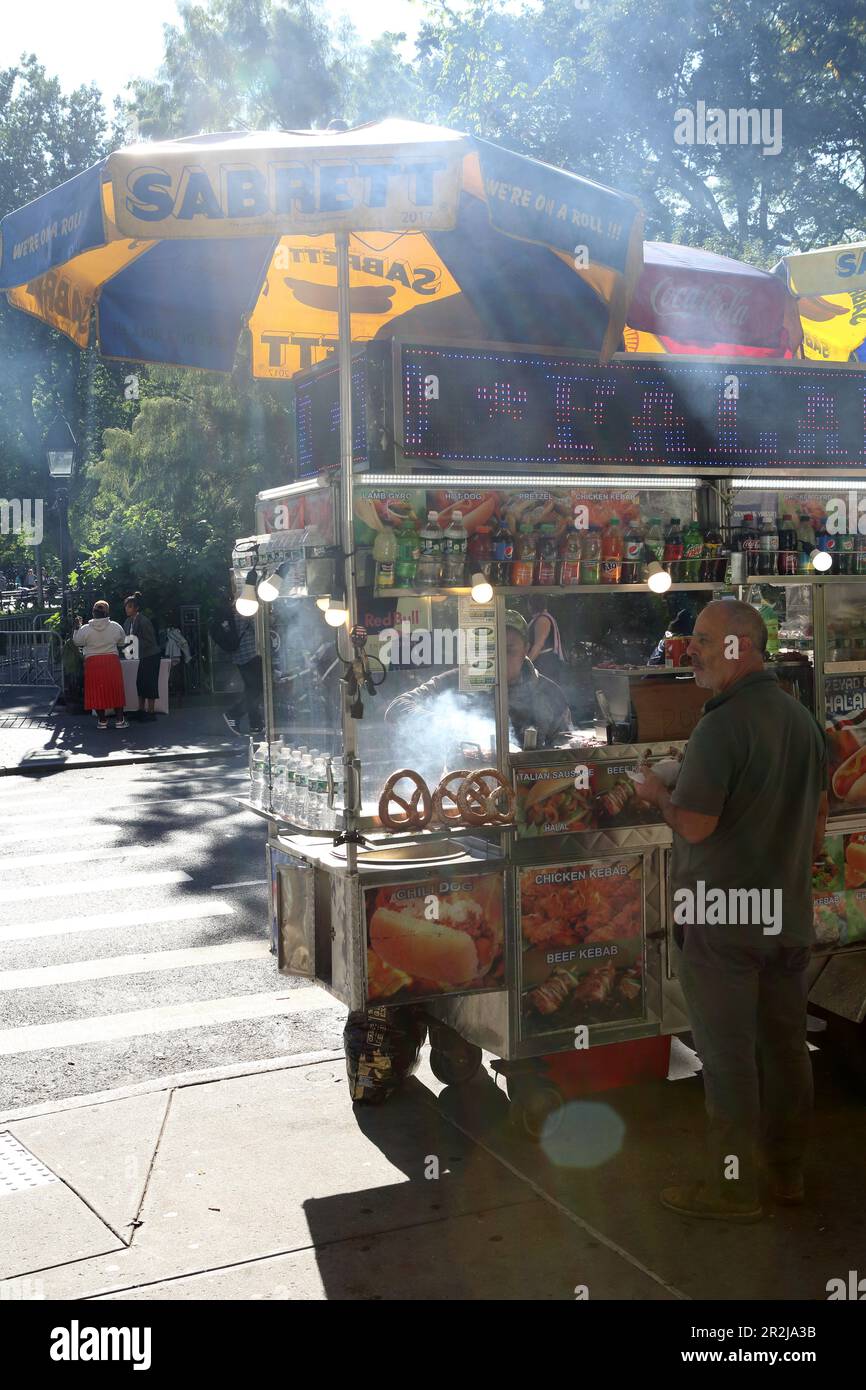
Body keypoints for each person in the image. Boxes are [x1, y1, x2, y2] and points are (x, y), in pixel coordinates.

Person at [634, 600, 827, 1223]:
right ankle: (787, 1173)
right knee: (786, 1048)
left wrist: (656, 792)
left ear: (744, 645)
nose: (693, 651)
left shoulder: (722, 725)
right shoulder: (802, 720)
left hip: (723, 920)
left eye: (706, 641)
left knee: (728, 1060)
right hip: (786, 917)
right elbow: (817, 823)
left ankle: (733, 1189)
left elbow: (693, 824)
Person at [384, 609, 572, 748]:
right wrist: (444, 723)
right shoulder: (459, 680)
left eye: (509, 650)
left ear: (526, 650)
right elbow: (398, 707)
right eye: (490, 649)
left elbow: (567, 748)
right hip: (465, 790)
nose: (498, 658)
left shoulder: (549, 693)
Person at [73, 601, 129, 730]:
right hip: (111, 661)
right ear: (107, 612)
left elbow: (77, 642)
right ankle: (120, 720)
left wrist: (76, 628)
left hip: (93, 662)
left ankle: (102, 720)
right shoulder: (115, 626)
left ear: (93, 612)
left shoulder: (85, 628)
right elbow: (122, 642)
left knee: (96, 691)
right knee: (115, 690)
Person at [224, 613, 264, 736]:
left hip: (240, 655)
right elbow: (258, 629)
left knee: (252, 689)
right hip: (251, 653)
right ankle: (234, 714)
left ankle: (256, 724)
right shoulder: (248, 608)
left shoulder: (235, 609)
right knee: (256, 689)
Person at [124, 592, 161, 721]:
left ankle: (151, 712)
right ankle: (141, 709)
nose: (127, 609)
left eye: (129, 607)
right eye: (126, 607)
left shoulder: (144, 621)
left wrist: (134, 644)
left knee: (150, 683)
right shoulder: (128, 622)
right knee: (140, 682)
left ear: (136, 608)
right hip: (140, 656)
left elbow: (150, 641)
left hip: (151, 655)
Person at [526, 593, 566, 682]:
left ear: (532, 605)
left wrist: (527, 664)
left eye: (528, 603)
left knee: (545, 692)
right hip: (543, 662)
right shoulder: (538, 618)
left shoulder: (543, 620)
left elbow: (538, 645)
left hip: (545, 663)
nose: (527, 606)